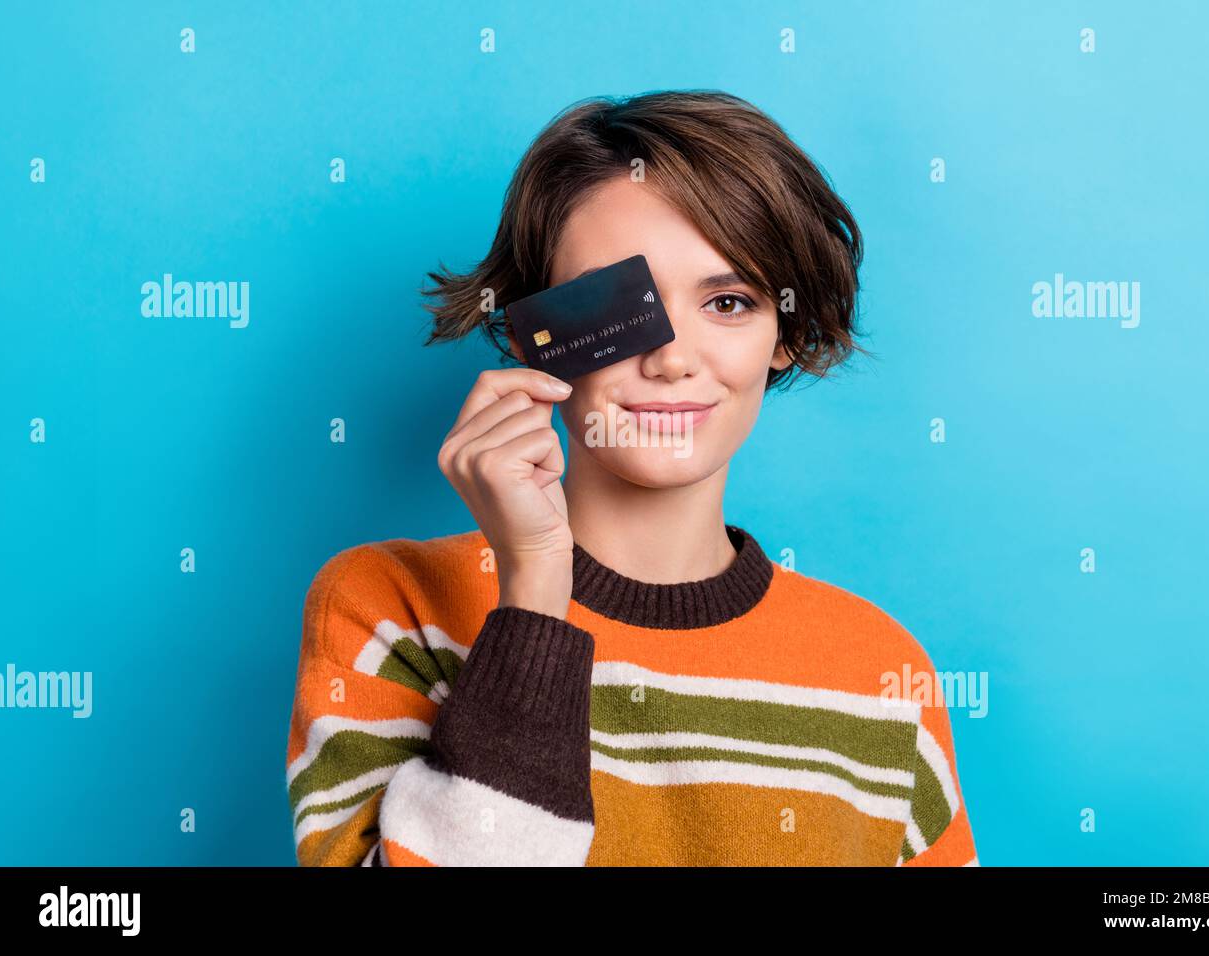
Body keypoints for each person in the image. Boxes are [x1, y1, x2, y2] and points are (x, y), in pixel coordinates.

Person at [285, 90, 979, 866]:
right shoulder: (390, 611)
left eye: (728, 301)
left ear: (784, 334)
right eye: (621, 303)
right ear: (536, 333)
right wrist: (536, 595)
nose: (672, 358)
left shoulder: (881, 670)